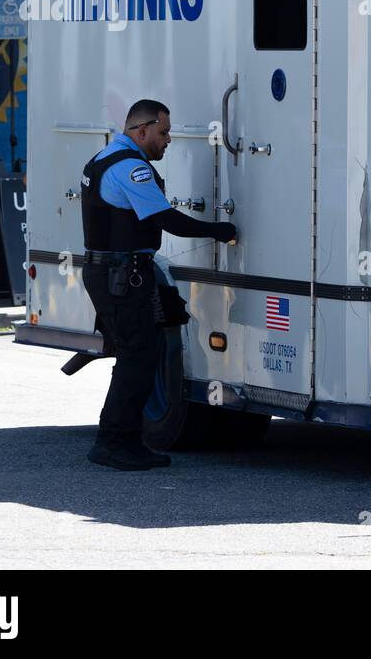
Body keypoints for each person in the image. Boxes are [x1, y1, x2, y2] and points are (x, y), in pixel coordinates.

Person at [80, 99, 237, 471]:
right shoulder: (131, 168)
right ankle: (113, 442)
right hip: (121, 275)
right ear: (141, 130)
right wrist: (220, 231)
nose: (168, 140)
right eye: (164, 132)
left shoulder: (102, 159)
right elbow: (167, 219)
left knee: (138, 356)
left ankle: (124, 440)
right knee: (139, 358)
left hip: (115, 273)